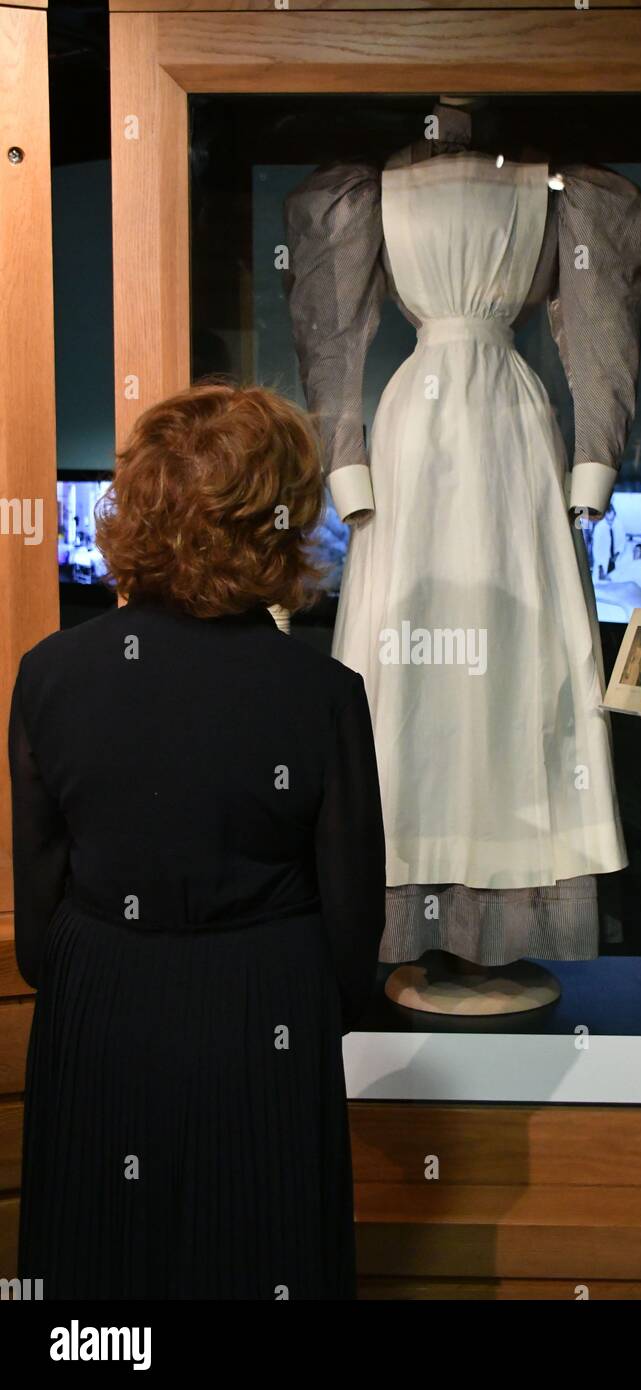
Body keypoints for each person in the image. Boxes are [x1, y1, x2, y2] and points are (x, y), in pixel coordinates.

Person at [9, 382, 385, 1299]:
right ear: (279, 523)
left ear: (140, 504)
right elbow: (351, 937)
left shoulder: (50, 674)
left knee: (102, 1274)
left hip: (101, 1005)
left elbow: (38, 903)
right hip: (267, 1014)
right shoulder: (322, 693)